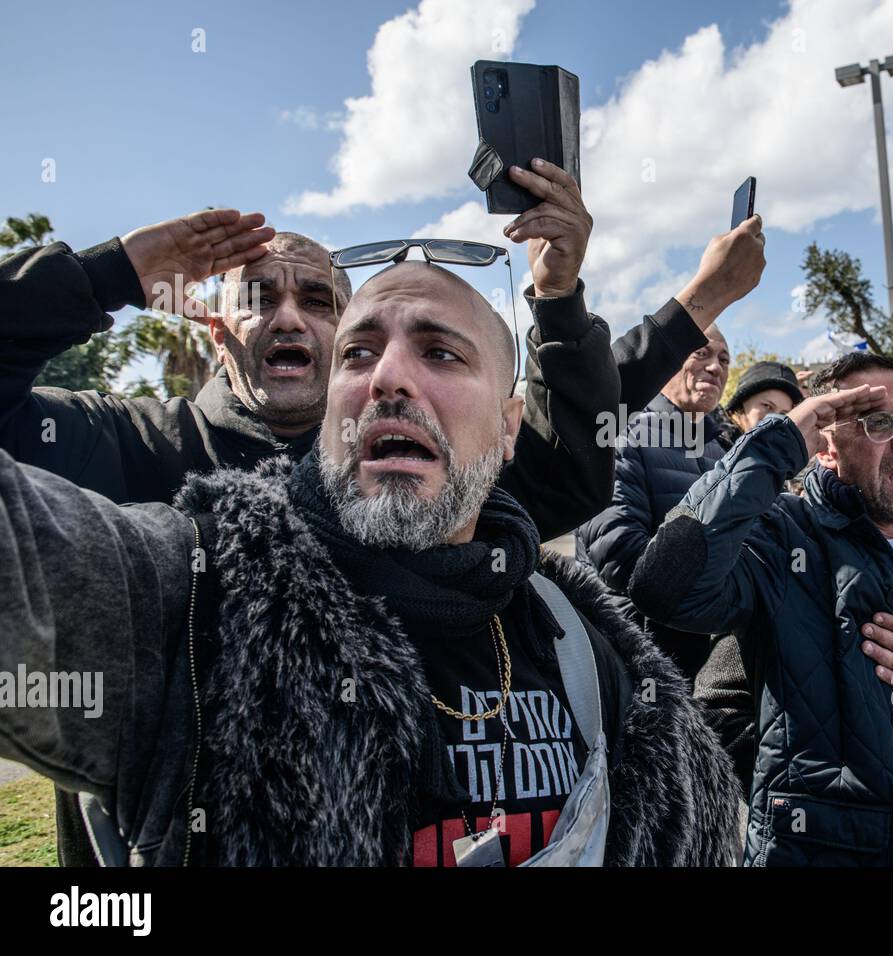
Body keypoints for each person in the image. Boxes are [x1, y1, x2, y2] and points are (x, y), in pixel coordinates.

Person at [1, 163, 768, 865]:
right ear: (213, 327)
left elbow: (569, 423)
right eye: (261, 297)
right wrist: (102, 276)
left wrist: (616, 300)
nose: (292, 320)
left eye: (319, 301)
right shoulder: (144, 492)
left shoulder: (530, 582)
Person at [628, 352, 893, 866]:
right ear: (827, 446)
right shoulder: (780, 540)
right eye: (878, 423)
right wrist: (774, 445)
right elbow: (664, 586)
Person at [577, 325, 732, 682]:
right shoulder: (621, 433)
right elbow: (618, 557)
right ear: (668, 361)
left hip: (713, 671)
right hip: (638, 665)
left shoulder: (725, 453)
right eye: (701, 353)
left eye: (724, 359)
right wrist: (723, 592)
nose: (715, 367)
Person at [719, 360, 802, 447]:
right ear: (742, 403)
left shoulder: (785, 454)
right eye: (767, 406)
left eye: (783, 414)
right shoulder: (710, 443)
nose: (775, 419)